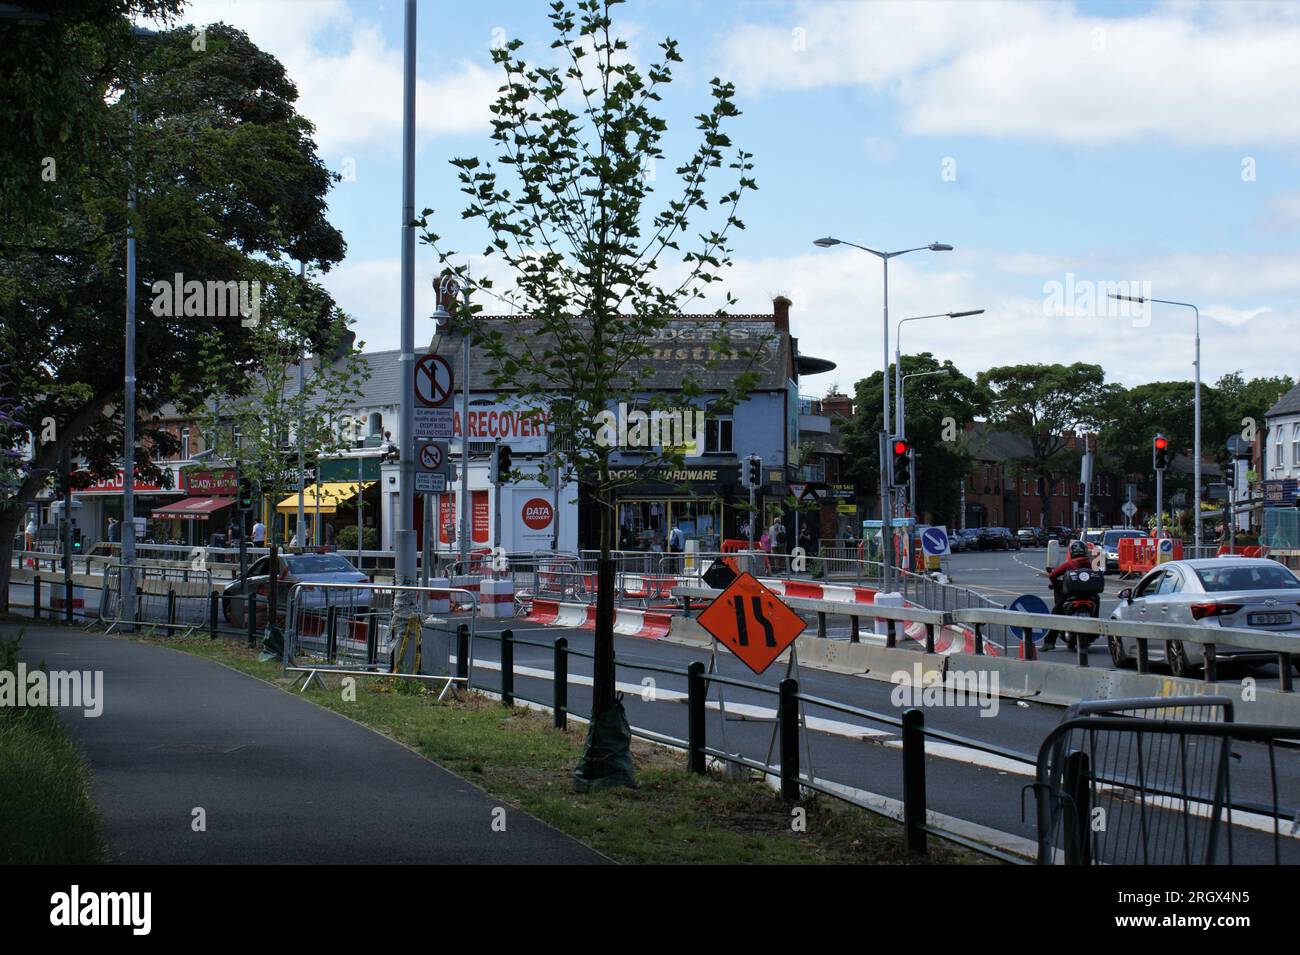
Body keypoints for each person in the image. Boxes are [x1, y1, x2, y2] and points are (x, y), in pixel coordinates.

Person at [1041, 540, 1093, 650]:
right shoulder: (1089, 564)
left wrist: (1057, 585)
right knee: (1096, 603)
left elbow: (1052, 575)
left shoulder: (1069, 564)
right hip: (1089, 595)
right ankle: (1094, 632)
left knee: (1056, 612)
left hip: (1071, 595)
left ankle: (1049, 642)